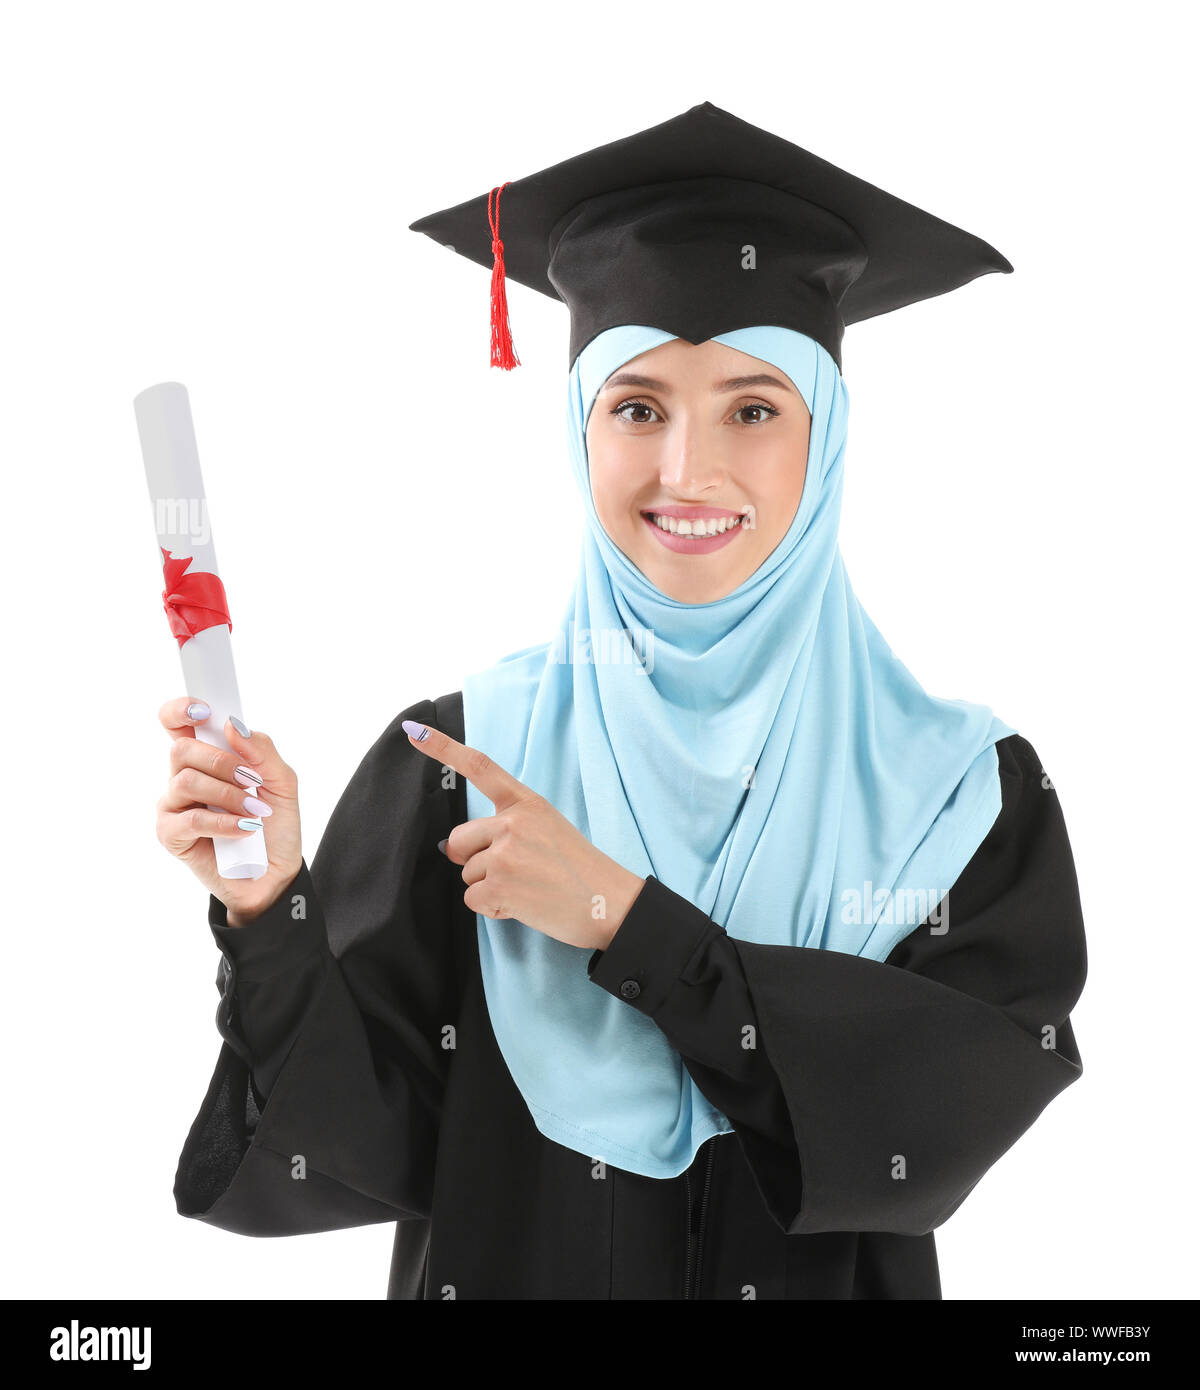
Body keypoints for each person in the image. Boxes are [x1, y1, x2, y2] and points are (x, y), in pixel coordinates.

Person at [157, 102, 1087, 1300]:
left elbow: (923, 1141)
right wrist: (268, 902)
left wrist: (624, 920)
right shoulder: (460, 755)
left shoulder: (959, 793)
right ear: (578, 429)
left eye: (754, 409)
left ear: (828, 439)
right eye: (636, 407)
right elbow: (352, 1150)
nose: (686, 471)